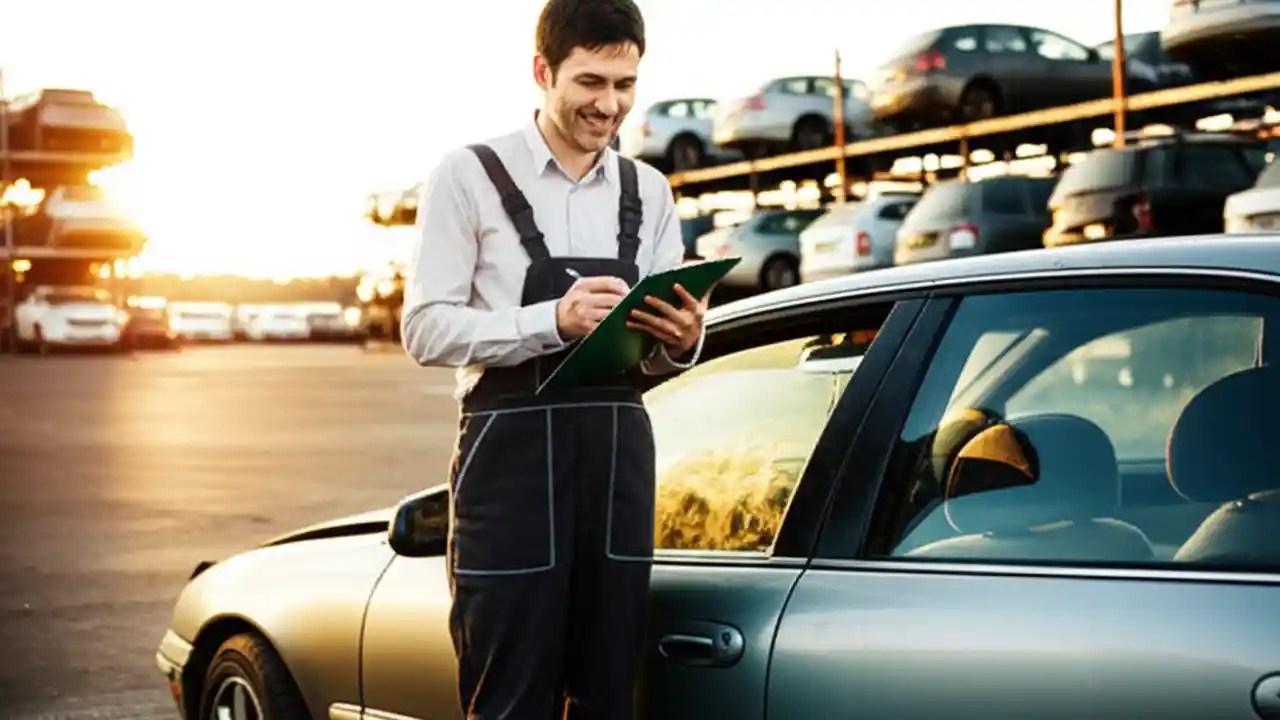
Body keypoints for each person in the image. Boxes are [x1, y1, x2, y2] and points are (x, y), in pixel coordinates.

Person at [399, 0, 707, 717]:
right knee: (509, 697)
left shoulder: (649, 191)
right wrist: (552, 321)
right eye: (591, 83)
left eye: (625, 85)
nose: (610, 105)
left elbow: (653, 357)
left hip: (617, 463)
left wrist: (682, 345)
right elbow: (424, 330)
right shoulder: (468, 176)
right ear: (543, 72)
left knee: (609, 695)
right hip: (508, 467)